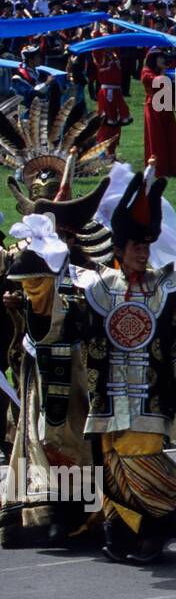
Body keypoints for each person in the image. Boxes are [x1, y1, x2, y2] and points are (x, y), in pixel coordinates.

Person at [82, 169, 176, 563]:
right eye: (134, 245)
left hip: (150, 400)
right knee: (109, 469)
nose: (142, 251)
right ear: (119, 248)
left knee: (147, 468)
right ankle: (127, 536)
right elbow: (72, 327)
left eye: (146, 244)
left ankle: (162, 525)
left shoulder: (167, 290)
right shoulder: (96, 288)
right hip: (106, 402)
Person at [0, 212, 99, 549]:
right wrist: (16, 308)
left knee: (72, 440)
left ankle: (75, 516)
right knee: (33, 439)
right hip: (36, 371)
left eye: (69, 236)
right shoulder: (29, 274)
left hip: (74, 373)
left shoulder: (88, 279)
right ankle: (35, 514)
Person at [140, 49, 176, 179]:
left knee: (171, 138)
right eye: (159, 58)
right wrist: (164, 75)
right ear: (153, 59)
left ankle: (175, 169)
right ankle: (160, 169)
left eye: (163, 58)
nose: (162, 60)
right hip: (154, 109)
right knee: (157, 139)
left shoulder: (165, 73)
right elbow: (156, 82)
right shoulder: (146, 72)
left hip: (166, 108)